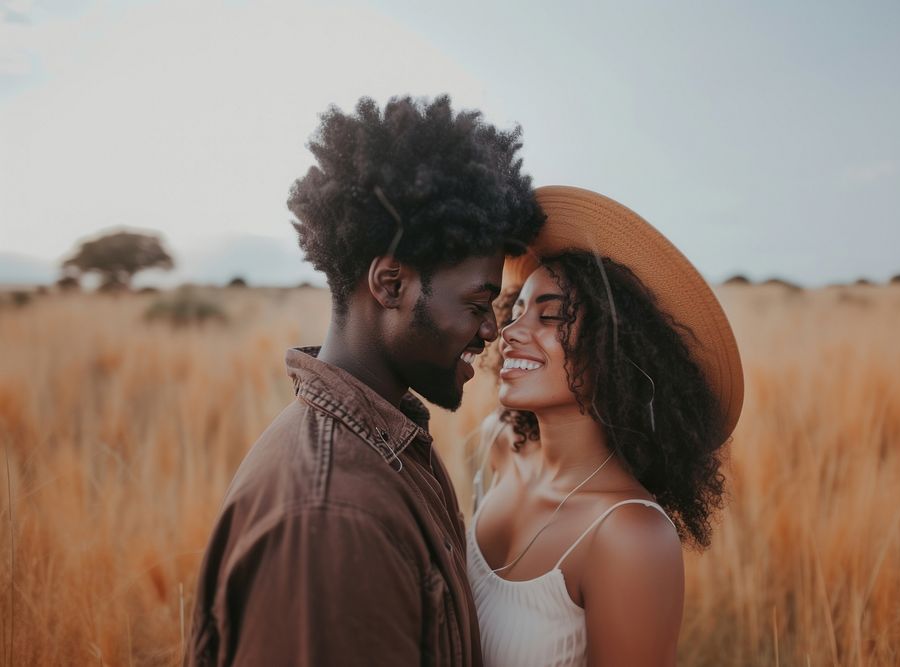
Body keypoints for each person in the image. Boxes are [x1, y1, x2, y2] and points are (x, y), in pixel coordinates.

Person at [185, 95, 546, 666]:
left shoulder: (383, 445)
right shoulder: (330, 520)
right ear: (391, 284)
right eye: (478, 303)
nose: (492, 331)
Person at [467, 186, 744, 666]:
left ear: (617, 348)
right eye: (515, 311)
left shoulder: (629, 536)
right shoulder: (500, 444)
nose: (509, 333)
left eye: (551, 315)